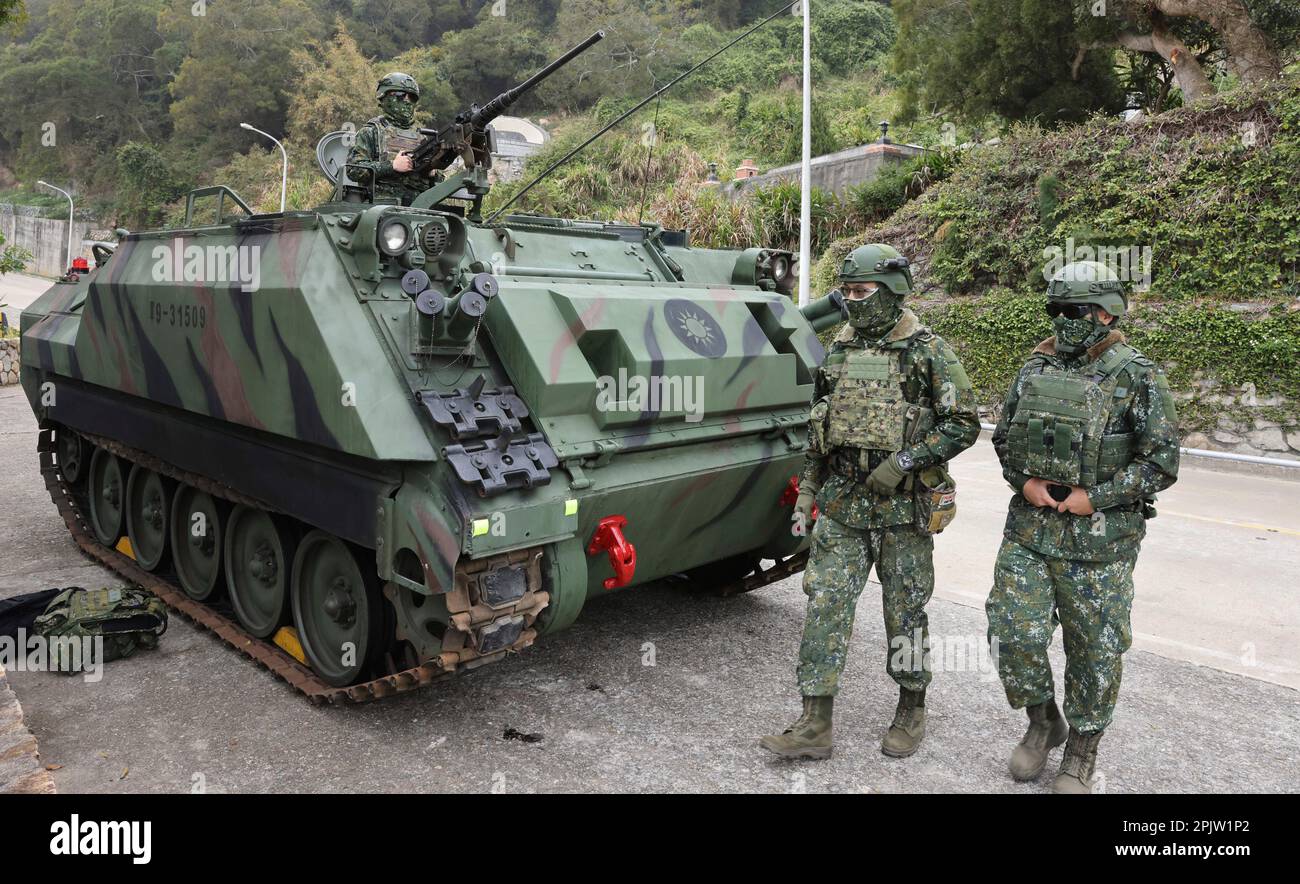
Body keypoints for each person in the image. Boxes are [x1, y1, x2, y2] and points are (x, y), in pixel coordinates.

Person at [760, 243, 980, 760]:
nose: (853, 301)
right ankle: (814, 722)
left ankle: (911, 706)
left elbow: (963, 423)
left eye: (863, 292)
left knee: (904, 611)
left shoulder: (928, 352)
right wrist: (807, 493)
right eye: (848, 292)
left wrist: (902, 463)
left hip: (903, 512)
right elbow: (818, 431)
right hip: (842, 505)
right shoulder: (837, 351)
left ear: (893, 292)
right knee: (825, 605)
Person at [986, 260, 1180, 793]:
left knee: (1094, 648)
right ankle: (1044, 722)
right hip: (1028, 531)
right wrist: (1022, 482)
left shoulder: (1136, 374)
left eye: (1075, 311)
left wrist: (1094, 498)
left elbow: (1161, 461)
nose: (1063, 321)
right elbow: (1005, 437)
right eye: (1056, 310)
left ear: (1106, 312)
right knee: (1010, 634)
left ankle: (1082, 750)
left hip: (1099, 545)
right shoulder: (1035, 368)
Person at [347, 73, 439, 204]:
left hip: (420, 207)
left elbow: (438, 182)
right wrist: (392, 166)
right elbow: (353, 170)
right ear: (384, 97)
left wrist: (433, 173)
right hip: (381, 208)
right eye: (400, 95)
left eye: (412, 97)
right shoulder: (371, 132)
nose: (407, 101)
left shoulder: (423, 136)